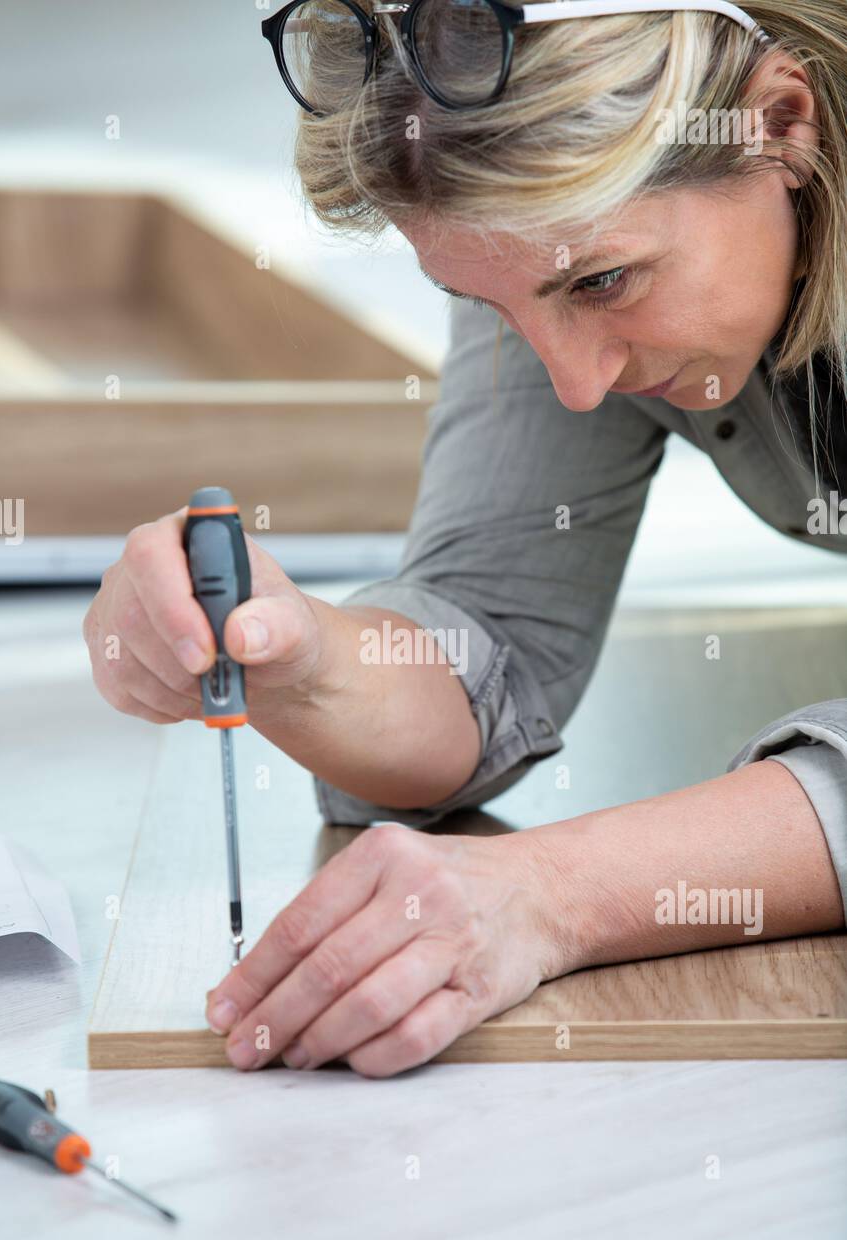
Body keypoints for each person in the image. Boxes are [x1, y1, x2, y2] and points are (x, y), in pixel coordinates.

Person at [83, 0, 847, 1076]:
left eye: (601, 283)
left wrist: (555, 892)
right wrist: (298, 652)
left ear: (778, 123)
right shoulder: (543, 237)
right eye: (489, 302)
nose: (572, 386)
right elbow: (489, 639)